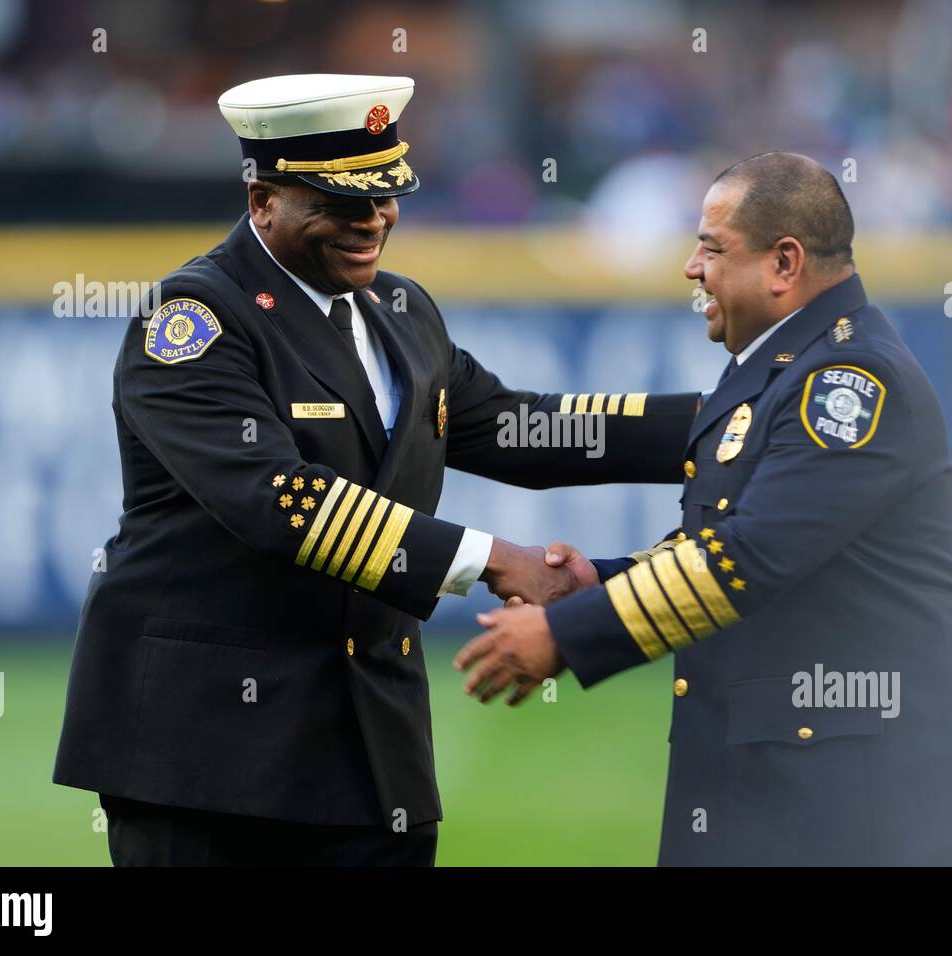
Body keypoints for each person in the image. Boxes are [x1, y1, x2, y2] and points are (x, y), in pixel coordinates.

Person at [52, 74, 699, 866]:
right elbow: (283, 502)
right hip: (207, 761)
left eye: (386, 194)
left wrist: (737, 415)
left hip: (370, 753)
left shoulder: (399, 309)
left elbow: (518, 427)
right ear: (262, 200)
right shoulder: (192, 321)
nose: (372, 220)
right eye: (339, 201)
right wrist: (496, 561)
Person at [456, 152, 952, 866]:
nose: (693, 268)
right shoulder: (779, 371)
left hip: (866, 814)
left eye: (712, 247)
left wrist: (566, 635)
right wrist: (602, 581)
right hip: (787, 799)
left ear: (784, 263)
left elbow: (751, 557)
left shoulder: (849, 384)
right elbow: (714, 537)